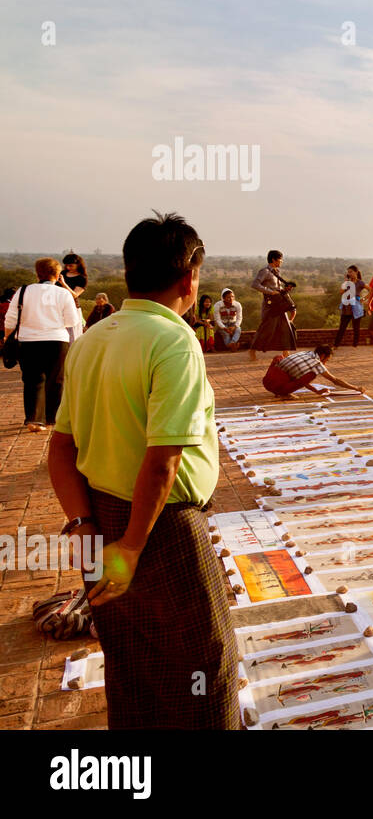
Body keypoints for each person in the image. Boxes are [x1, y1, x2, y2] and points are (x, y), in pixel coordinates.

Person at [48, 211, 239, 728]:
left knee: (131, 656)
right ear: (189, 278)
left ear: (130, 272)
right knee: (204, 658)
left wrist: (85, 527)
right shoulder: (174, 342)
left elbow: (59, 451)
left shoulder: (90, 340)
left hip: (96, 516)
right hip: (160, 528)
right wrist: (132, 547)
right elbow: (161, 462)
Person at [3, 257, 83, 433]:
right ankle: (52, 419)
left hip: (28, 341)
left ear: (37, 273)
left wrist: (7, 338)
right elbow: (72, 321)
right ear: (57, 274)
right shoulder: (63, 294)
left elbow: (10, 319)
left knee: (32, 380)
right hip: (57, 340)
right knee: (56, 380)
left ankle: (33, 419)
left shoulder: (24, 291)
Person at [262, 345, 366, 399]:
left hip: (267, 381)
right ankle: (283, 393)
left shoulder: (305, 353)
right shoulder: (316, 363)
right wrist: (356, 388)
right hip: (278, 386)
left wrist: (316, 391)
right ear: (322, 356)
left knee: (280, 358)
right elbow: (335, 380)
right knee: (311, 374)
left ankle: (281, 390)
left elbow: (300, 377)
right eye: (326, 360)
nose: (325, 363)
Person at [248, 250, 286, 361]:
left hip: (279, 303)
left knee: (285, 327)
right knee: (266, 328)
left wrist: (283, 290)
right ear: (273, 259)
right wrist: (270, 291)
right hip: (270, 304)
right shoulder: (265, 271)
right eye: (280, 259)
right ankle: (252, 350)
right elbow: (255, 284)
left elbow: (276, 288)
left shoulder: (276, 272)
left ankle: (286, 351)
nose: (281, 261)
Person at [252, 280, 297, 355]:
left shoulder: (286, 295)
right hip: (271, 316)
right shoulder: (272, 293)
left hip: (282, 317)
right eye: (289, 286)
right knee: (264, 333)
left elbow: (293, 309)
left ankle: (286, 352)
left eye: (291, 287)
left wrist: (290, 320)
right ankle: (252, 351)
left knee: (286, 333)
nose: (289, 288)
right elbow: (267, 304)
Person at [334, 265, 366, 349]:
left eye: (351, 271)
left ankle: (355, 345)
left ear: (356, 272)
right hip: (346, 307)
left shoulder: (360, 283)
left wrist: (365, 298)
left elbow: (371, 289)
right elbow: (341, 292)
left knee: (356, 328)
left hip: (356, 307)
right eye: (348, 272)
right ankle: (336, 345)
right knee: (342, 327)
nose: (349, 273)